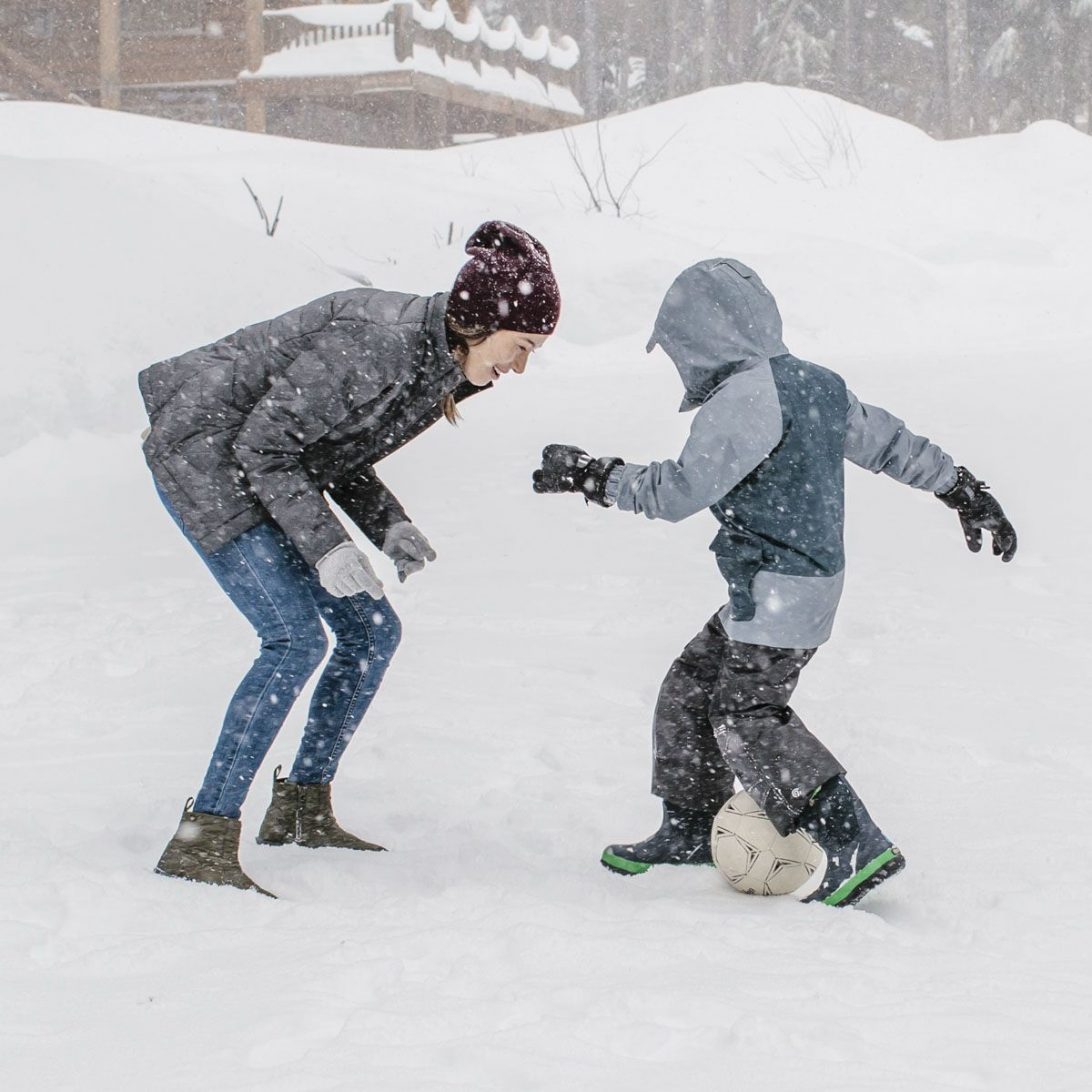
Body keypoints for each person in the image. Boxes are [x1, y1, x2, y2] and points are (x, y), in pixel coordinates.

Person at [532, 258, 1016, 908]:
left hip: (778, 590)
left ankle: (855, 840)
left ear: (705, 337)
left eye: (681, 347)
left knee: (746, 714)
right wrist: (962, 488)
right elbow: (890, 443)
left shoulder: (743, 401)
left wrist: (594, 476)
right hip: (785, 584)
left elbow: (677, 493)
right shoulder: (816, 384)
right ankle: (687, 828)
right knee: (692, 686)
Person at [142, 221, 559, 897]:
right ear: (480, 322)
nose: (520, 366)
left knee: (372, 631)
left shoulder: (437, 362)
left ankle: (302, 805)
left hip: (264, 466)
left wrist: (388, 524)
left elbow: (335, 451)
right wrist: (329, 547)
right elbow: (264, 447)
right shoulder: (377, 341)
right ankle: (203, 836)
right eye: (522, 346)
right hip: (205, 456)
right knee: (292, 641)